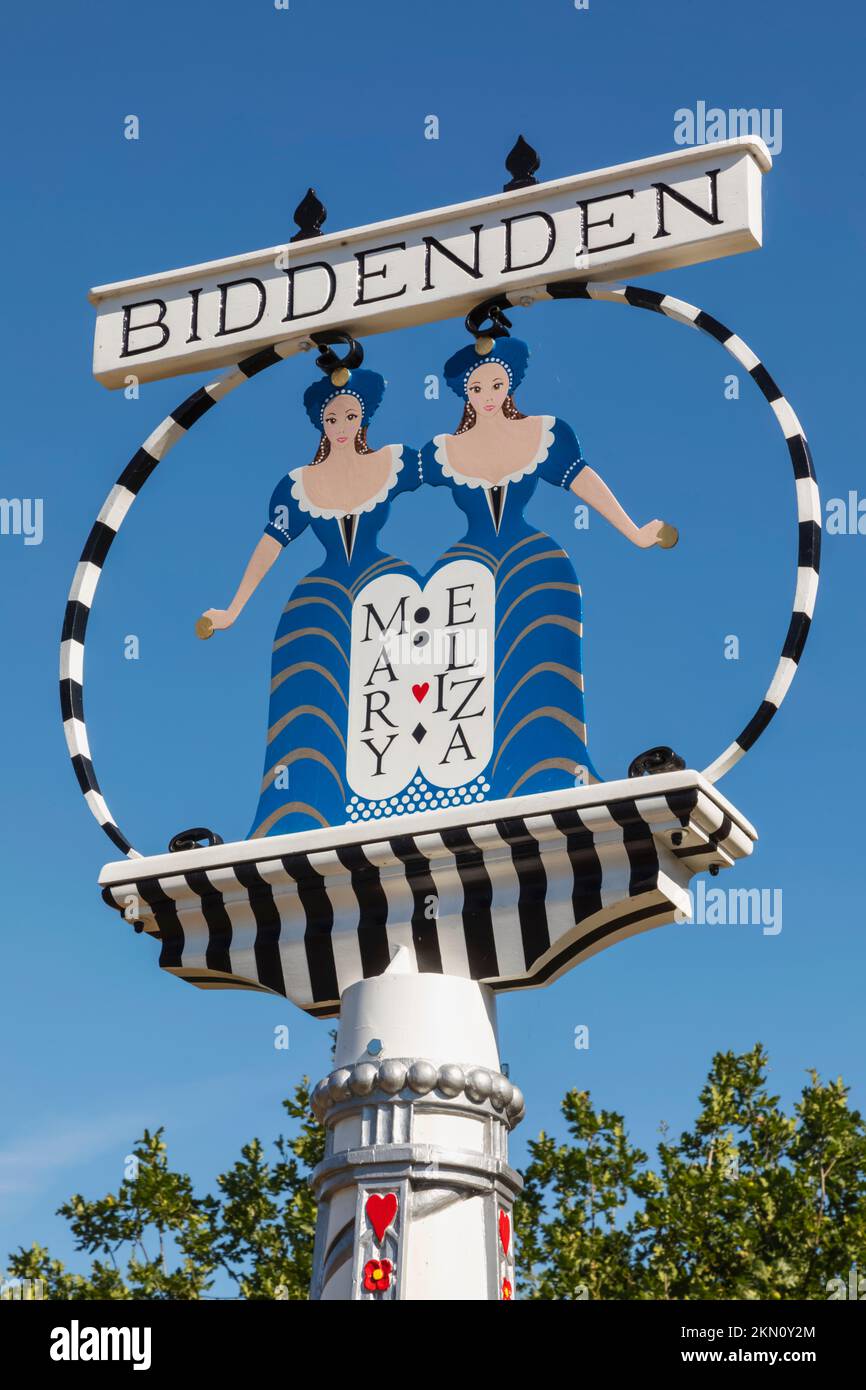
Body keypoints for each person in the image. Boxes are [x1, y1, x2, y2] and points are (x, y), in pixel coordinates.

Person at [416, 334, 671, 799]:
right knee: (461, 677)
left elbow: (583, 479)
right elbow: (380, 485)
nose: (488, 396)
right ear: (465, 393)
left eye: (496, 385)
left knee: (541, 668)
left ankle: (550, 771)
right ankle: (455, 776)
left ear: (510, 385)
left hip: (533, 565)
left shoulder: (543, 435)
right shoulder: (441, 452)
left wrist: (635, 532)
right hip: (464, 574)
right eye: (477, 388)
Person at [202, 363, 421, 837]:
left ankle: (402, 790)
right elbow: (271, 543)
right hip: (321, 600)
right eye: (332, 419)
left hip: (385, 588)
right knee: (310, 698)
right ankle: (302, 811)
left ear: (364, 419)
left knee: (392, 690)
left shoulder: (394, 463)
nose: (341, 427)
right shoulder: (298, 485)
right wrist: (233, 610)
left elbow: (458, 465)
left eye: (350, 416)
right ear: (321, 424)